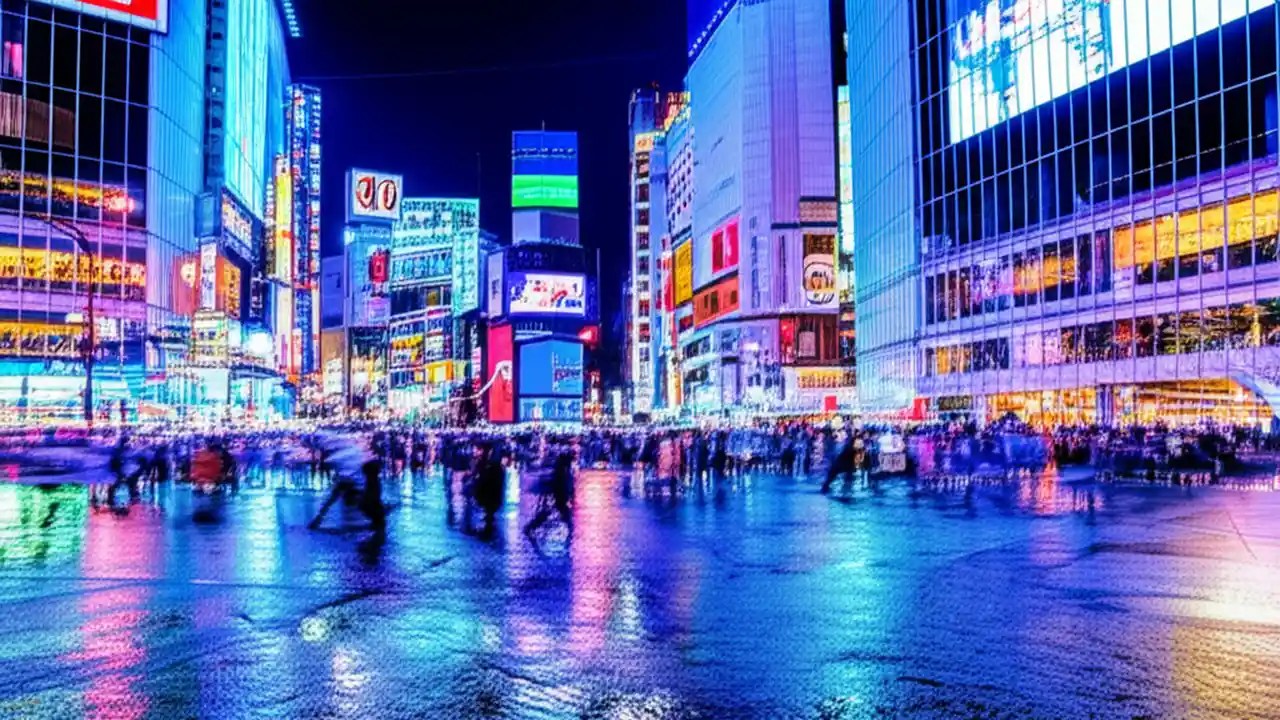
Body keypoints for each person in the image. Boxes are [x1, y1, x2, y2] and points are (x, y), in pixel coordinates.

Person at [524, 444, 575, 544]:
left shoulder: (560, 467)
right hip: (558, 496)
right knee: (560, 514)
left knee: (551, 513)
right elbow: (562, 483)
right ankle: (530, 527)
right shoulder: (562, 469)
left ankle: (531, 527)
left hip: (557, 496)